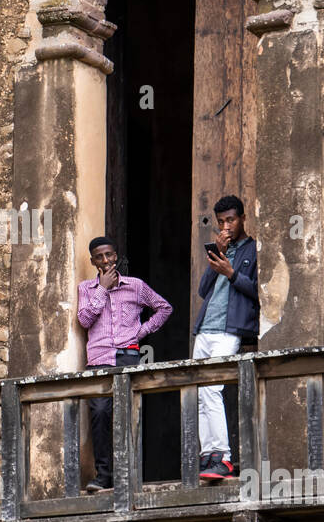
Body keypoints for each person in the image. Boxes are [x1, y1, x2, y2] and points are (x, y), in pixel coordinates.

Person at [77, 236, 172, 493]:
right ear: (93, 261)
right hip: (98, 360)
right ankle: (103, 475)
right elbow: (85, 320)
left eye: (109, 255)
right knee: (99, 414)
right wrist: (102, 289)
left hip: (128, 356)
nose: (106, 260)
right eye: (99, 256)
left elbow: (164, 308)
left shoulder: (135, 286)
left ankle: (128, 475)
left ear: (116, 256)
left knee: (127, 414)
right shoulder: (86, 288)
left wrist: (140, 333)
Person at [192, 195, 259, 480]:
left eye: (230, 220)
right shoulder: (221, 249)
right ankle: (208, 456)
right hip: (205, 328)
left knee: (212, 389)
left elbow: (259, 292)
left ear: (243, 218)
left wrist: (231, 273)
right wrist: (215, 260)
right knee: (198, 393)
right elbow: (203, 290)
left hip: (229, 330)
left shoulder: (254, 249)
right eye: (221, 222)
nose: (226, 226)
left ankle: (223, 457)